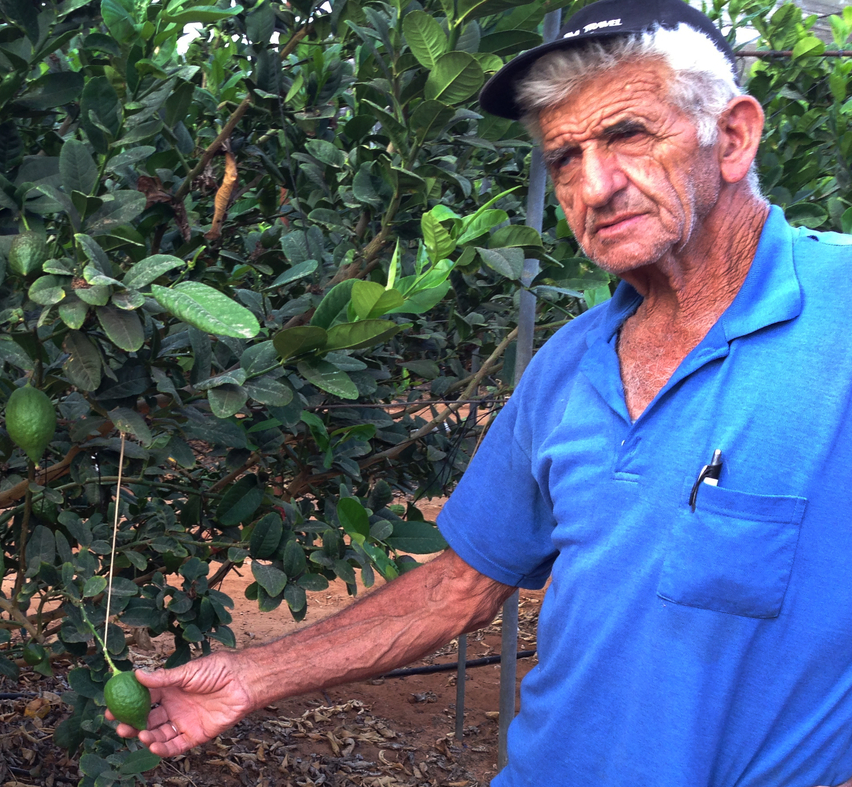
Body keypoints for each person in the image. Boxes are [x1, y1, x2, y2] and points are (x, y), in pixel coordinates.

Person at [109, 0, 852, 783]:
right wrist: (252, 676)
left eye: (629, 133)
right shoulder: (567, 368)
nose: (595, 185)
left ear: (731, 136)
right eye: (564, 157)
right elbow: (460, 586)